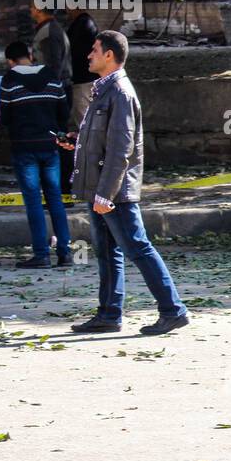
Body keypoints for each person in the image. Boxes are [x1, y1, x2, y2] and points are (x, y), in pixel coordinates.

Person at [61, 30, 189, 336]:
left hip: (114, 192)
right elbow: (106, 139)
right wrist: (77, 142)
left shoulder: (120, 92)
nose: (88, 55)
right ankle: (108, 314)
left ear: (109, 55)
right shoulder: (104, 89)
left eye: (93, 50)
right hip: (101, 190)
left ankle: (173, 310)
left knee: (138, 248)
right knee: (107, 253)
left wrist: (106, 194)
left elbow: (122, 148)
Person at [0, 41, 73, 269]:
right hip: (50, 146)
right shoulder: (52, 76)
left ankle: (41, 254)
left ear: (9, 61)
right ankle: (65, 252)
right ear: (30, 55)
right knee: (55, 199)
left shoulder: (9, 80)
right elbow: (64, 111)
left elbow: (5, 118)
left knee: (33, 200)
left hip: (23, 148)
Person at [62, 9, 98, 192]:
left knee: (85, 128)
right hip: (80, 82)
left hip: (83, 83)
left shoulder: (84, 24)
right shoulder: (80, 24)